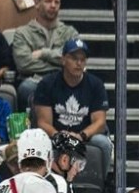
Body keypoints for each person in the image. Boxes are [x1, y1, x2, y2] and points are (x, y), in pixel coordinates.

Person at [33, 38, 111, 177]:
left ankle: (102, 184)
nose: (79, 63)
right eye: (74, 58)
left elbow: (100, 122)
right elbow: (43, 123)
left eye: (83, 59)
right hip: (56, 135)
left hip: (84, 136)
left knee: (103, 143)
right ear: (63, 60)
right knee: (41, 142)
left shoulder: (96, 85)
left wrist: (80, 136)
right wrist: (61, 136)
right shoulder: (47, 84)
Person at [10, 0, 80, 110]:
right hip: (34, 81)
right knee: (26, 88)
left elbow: (75, 61)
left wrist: (44, 53)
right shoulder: (23, 33)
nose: (53, 5)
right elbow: (24, 64)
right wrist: (61, 63)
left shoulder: (70, 32)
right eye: (48, 1)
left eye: (56, 2)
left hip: (65, 80)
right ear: (37, 3)